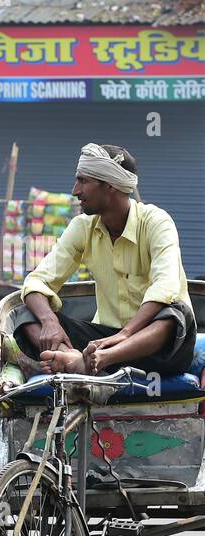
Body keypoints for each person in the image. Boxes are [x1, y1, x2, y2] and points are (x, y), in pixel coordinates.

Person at [13, 143, 194, 377]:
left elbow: (165, 287)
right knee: (25, 312)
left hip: (156, 350)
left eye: (83, 181)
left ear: (109, 185)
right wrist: (50, 322)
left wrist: (125, 334)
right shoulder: (82, 227)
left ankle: (95, 361)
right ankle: (73, 359)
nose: (75, 190)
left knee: (175, 314)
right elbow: (37, 282)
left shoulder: (157, 222)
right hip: (102, 339)